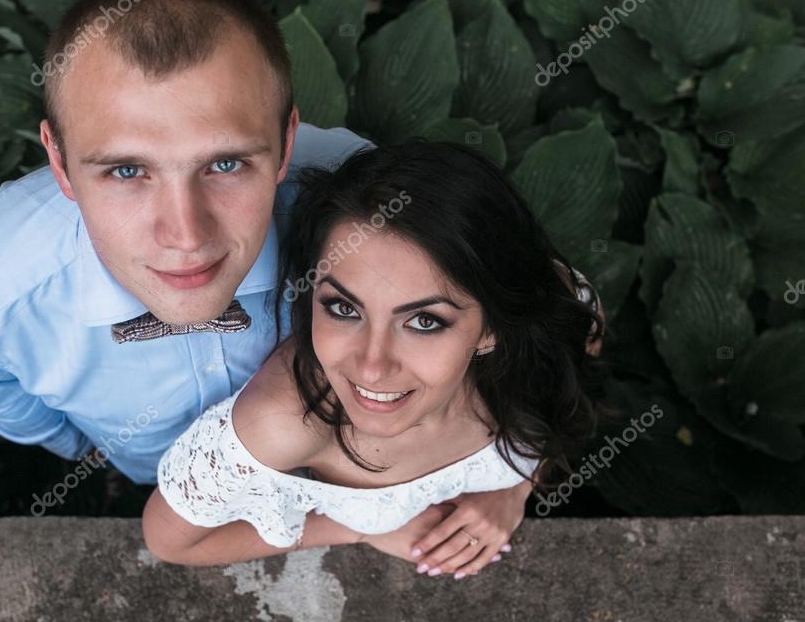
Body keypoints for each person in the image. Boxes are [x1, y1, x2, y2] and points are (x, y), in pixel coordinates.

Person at [0, 0, 549, 572]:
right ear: (57, 159)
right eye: (127, 171)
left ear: (287, 143)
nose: (185, 236)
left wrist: (511, 483)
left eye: (225, 166)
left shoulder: (354, 202)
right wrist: (92, 455)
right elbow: (23, 412)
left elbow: (522, 302)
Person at [143, 142, 605, 579]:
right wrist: (358, 529)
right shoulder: (283, 422)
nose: (371, 367)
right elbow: (170, 542)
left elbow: (581, 339)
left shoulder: (548, 323)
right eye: (344, 309)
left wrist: (514, 490)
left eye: (424, 321)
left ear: (493, 329)